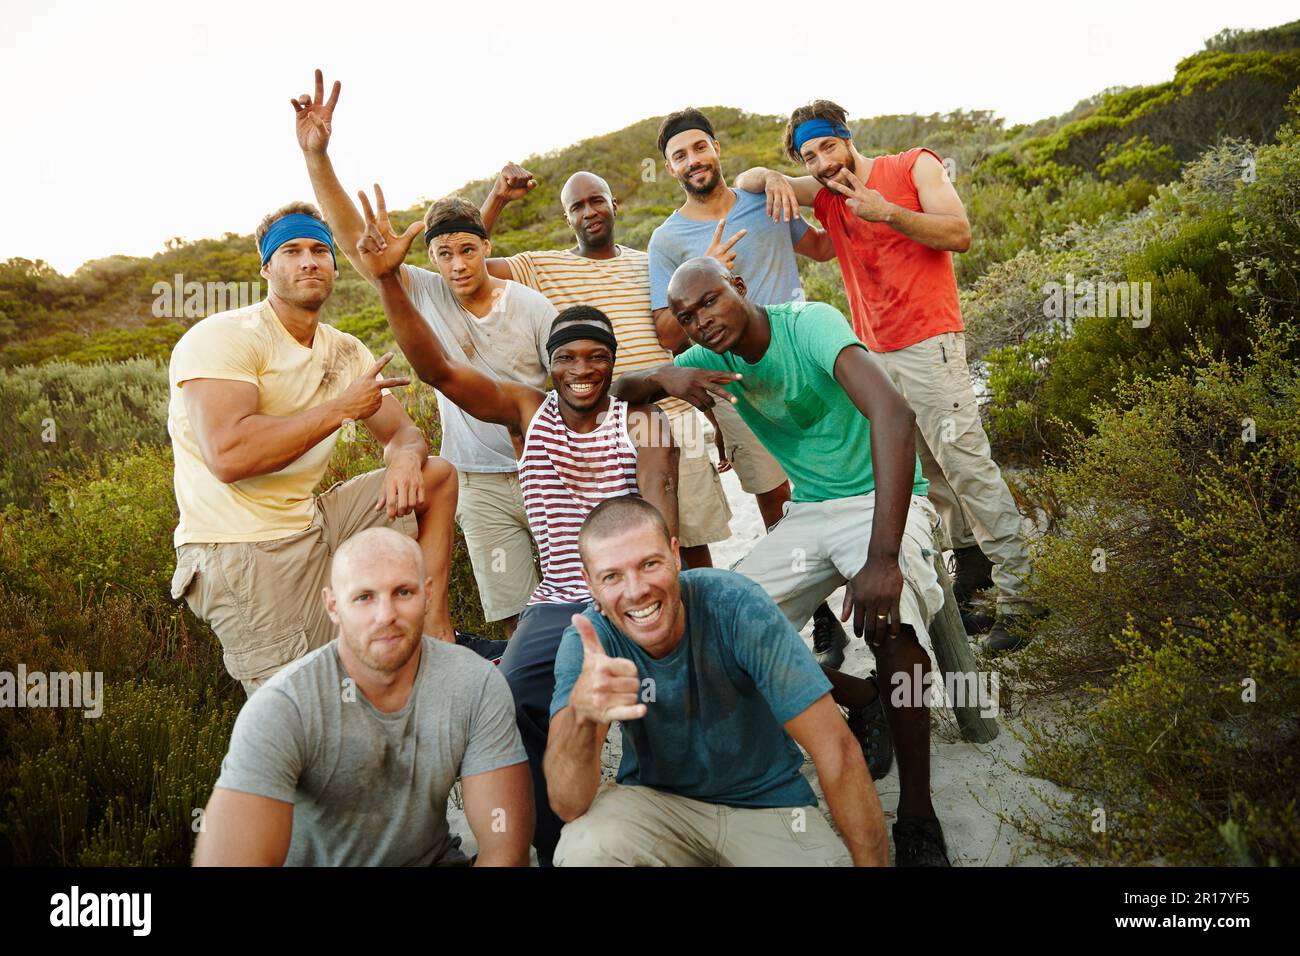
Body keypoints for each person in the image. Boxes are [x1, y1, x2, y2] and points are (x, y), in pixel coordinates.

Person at [353, 185, 680, 865]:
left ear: (613, 362)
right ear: (548, 365)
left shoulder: (641, 424)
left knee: (665, 694)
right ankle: (552, 838)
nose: (581, 370)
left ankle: (660, 807)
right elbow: (437, 369)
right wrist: (389, 282)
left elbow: (656, 521)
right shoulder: (529, 413)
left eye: (596, 357)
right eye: (567, 358)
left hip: (630, 592)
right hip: (558, 597)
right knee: (507, 703)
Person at [614, 257, 953, 866]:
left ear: (739, 289)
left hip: (878, 499)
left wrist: (881, 559)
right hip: (808, 516)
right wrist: (666, 375)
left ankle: (918, 815)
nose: (701, 322)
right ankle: (862, 698)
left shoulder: (810, 324)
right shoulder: (708, 358)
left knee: (892, 624)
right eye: (686, 317)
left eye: (710, 302)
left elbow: (893, 414)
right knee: (716, 628)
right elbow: (622, 388)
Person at [735, 100, 1040, 652]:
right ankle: (973, 579)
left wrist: (888, 213)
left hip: (930, 342)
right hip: (874, 354)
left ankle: (1024, 598)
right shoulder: (826, 193)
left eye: (828, 146)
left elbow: (960, 233)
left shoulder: (913, 166)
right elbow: (749, 180)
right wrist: (775, 177)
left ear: (847, 137)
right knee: (931, 474)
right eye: (810, 155)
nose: (824, 162)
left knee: (967, 464)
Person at [292, 69, 556, 639]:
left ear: (487, 246)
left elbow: (569, 389)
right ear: (431, 258)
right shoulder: (423, 289)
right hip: (478, 481)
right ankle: (526, 718)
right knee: (516, 616)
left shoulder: (532, 308)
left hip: (544, 471)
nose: (458, 265)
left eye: (468, 250)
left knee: (580, 595)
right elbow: (354, 236)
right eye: (444, 254)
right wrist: (318, 157)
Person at [167, 202, 459, 695]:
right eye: (291, 251)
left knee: (436, 475)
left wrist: (406, 457)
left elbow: (403, 433)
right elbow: (230, 456)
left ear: (334, 266)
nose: (309, 261)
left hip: (311, 522)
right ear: (266, 268)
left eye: (320, 249)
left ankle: (433, 628)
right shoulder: (223, 338)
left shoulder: (343, 350)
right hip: (243, 547)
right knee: (304, 710)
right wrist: (343, 408)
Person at [545, 497, 889, 866]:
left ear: (676, 555)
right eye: (612, 576)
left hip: (767, 802)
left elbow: (836, 750)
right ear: (589, 583)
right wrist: (582, 717)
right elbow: (569, 804)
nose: (635, 590)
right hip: (655, 805)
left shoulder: (736, 605)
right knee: (583, 849)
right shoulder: (590, 641)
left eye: (649, 564)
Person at [193, 527, 532, 866]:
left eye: (403, 592)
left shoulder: (475, 682)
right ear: (333, 606)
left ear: (428, 595)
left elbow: (504, 849)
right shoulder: (284, 707)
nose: (386, 615)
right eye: (364, 597)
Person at [649, 106, 852, 669]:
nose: (693, 161)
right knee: (777, 499)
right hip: (741, 383)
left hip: (806, 356)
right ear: (670, 169)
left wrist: (836, 186)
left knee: (841, 473)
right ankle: (822, 622)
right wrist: (705, 266)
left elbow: (822, 247)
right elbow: (667, 332)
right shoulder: (667, 240)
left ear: (716, 149)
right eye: (680, 156)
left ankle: (872, 565)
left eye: (699, 148)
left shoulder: (765, 202)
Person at [477, 162, 732, 571]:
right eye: (577, 206)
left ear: (614, 205)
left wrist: (708, 413)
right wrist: (498, 198)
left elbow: (676, 341)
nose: (589, 211)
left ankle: (702, 629)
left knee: (690, 546)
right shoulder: (541, 267)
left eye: (596, 200)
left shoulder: (649, 264)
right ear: (567, 218)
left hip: (671, 416)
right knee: (626, 551)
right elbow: (470, 263)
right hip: (602, 432)